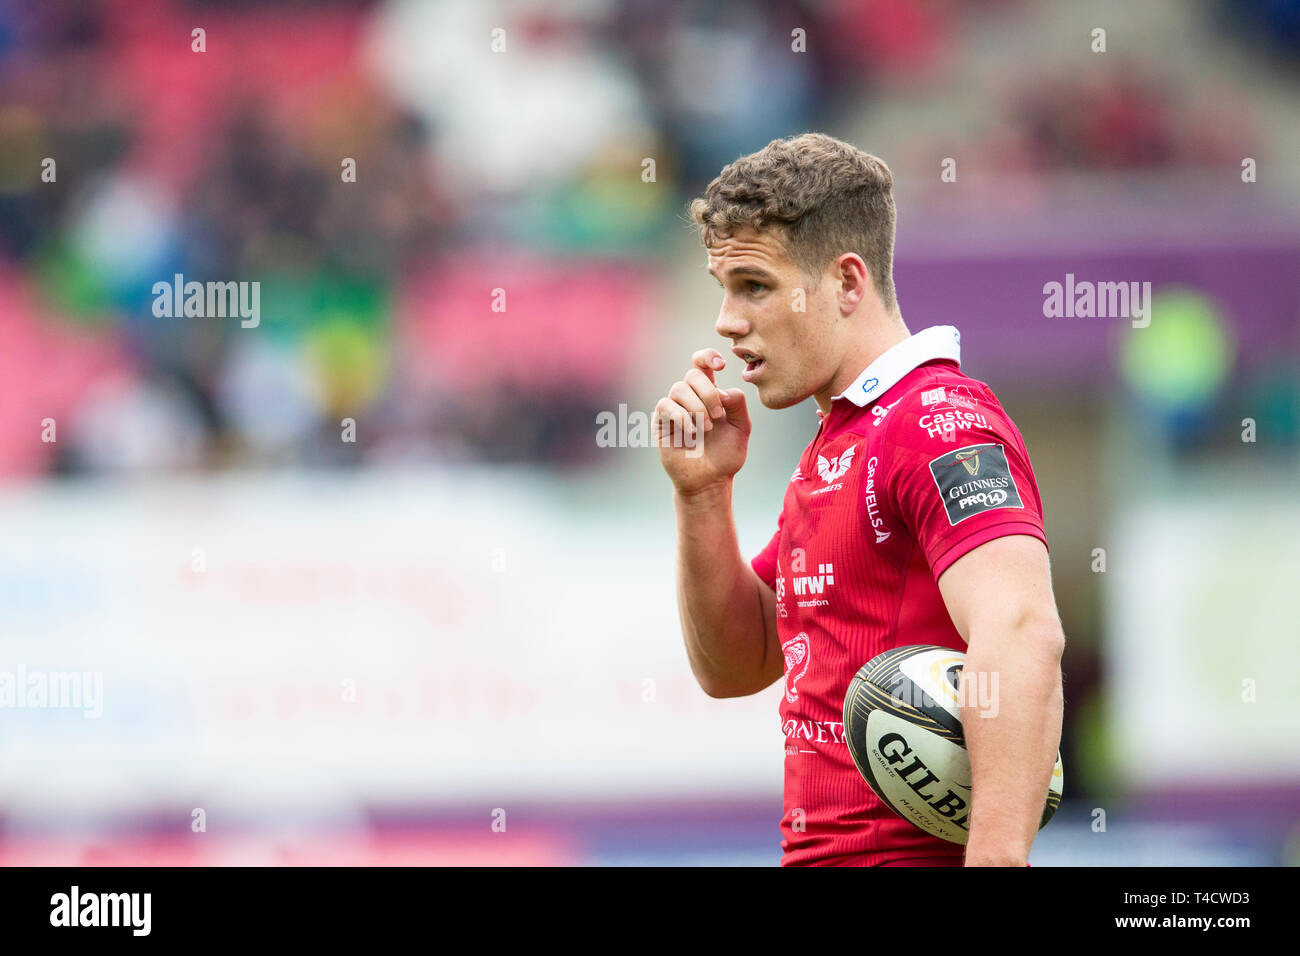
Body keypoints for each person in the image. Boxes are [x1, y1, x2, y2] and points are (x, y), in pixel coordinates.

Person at [654, 133, 1064, 866]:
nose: (726, 320)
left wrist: (998, 858)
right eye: (723, 288)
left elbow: (1023, 628)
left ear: (847, 283)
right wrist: (703, 494)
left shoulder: (936, 422)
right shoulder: (839, 442)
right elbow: (737, 663)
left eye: (754, 285)